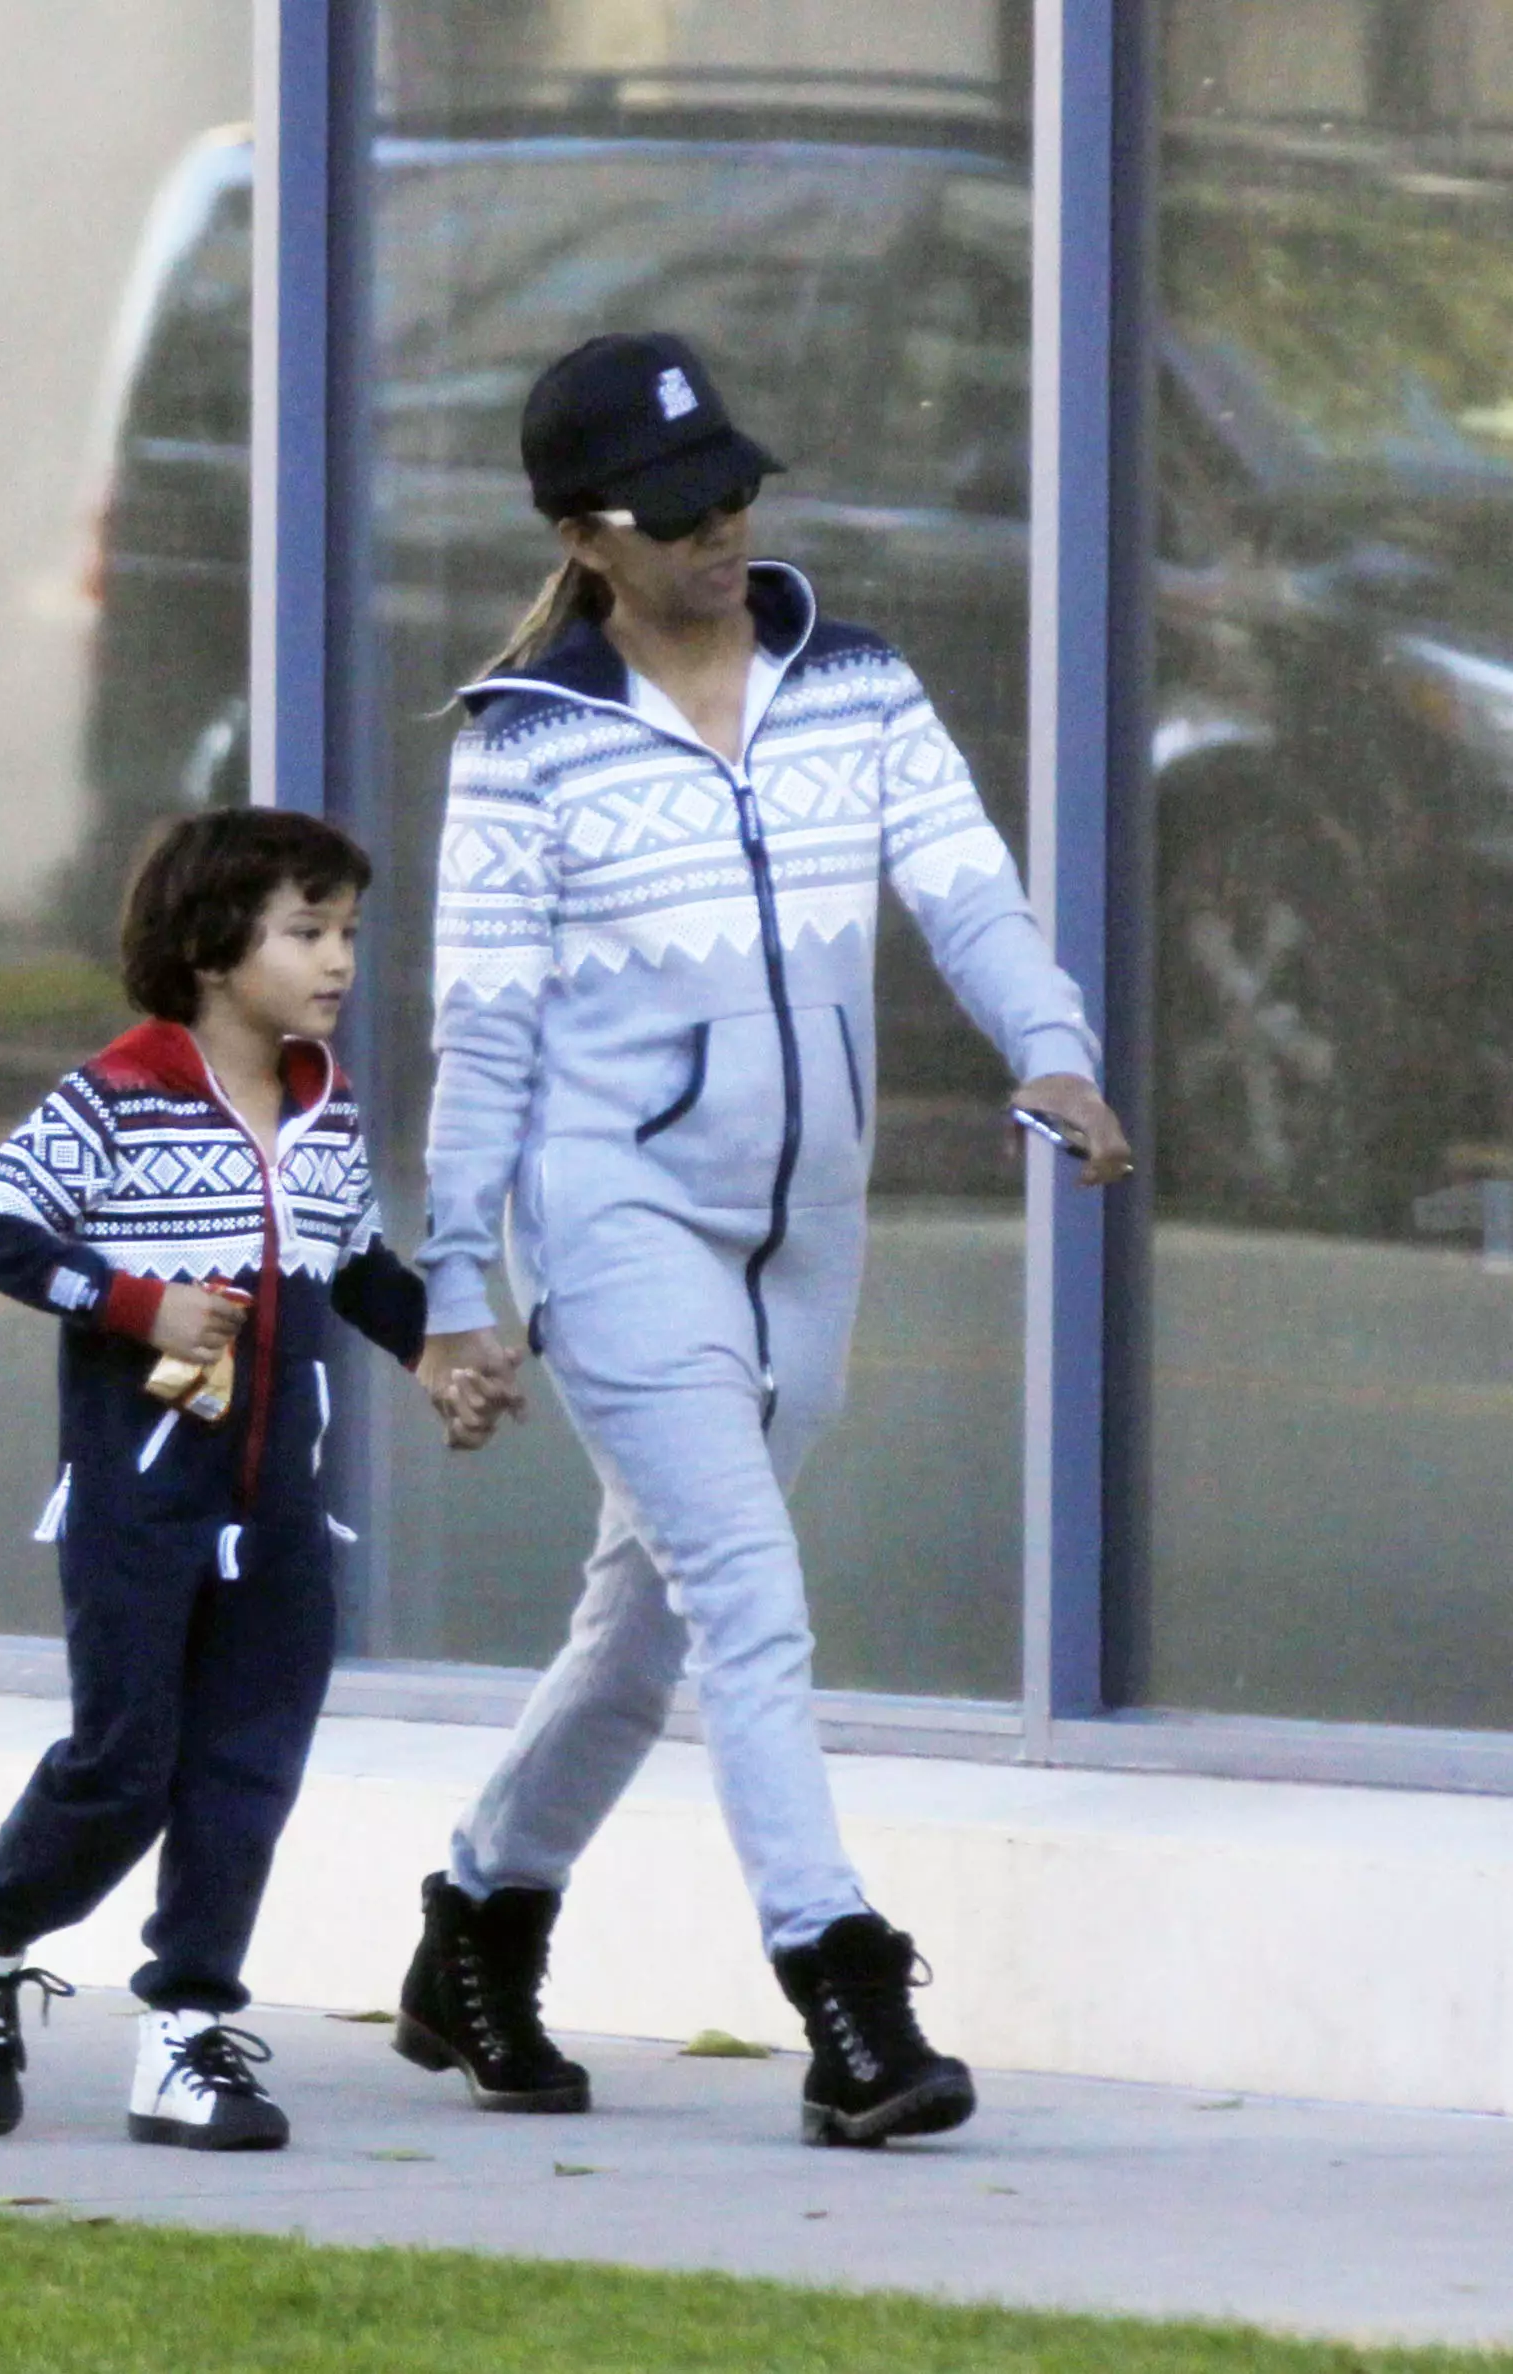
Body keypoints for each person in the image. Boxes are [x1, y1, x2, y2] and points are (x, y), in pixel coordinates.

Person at [396, 331, 1132, 2149]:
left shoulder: (853, 682)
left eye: (735, 487)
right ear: (586, 536)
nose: (724, 524)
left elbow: (965, 885)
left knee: (640, 1630)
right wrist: (451, 1293)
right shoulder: (525, 751)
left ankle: (477, 1920)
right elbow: (480, 1038)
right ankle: (848, 1996)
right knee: (748, 1600)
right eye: (677, 509)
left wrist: (1053, 1046)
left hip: (808, 1232)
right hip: (618, 1217)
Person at [0, 808, 464, 2152]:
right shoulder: (119, 1091)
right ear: (211, 949)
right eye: (305, 931)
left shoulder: (323, 1097)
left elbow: (354, 1261)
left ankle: (186, 2035)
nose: (336, 962)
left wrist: (441, 1349)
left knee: (243, 1773)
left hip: (280, 1514)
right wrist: (134, 1301)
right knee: (125, 1762)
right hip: (141, 1506)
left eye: (349, 934)